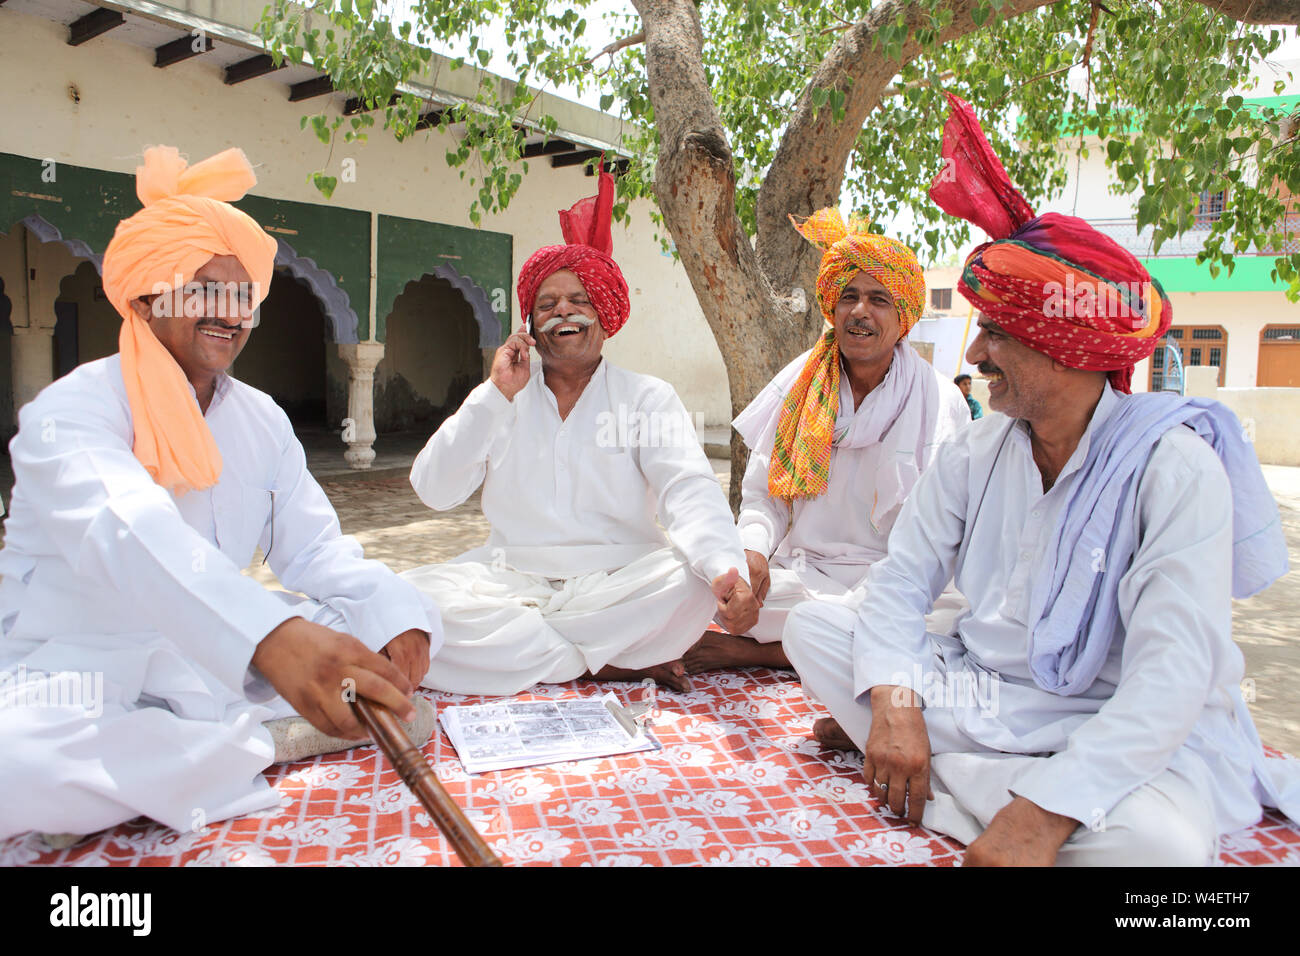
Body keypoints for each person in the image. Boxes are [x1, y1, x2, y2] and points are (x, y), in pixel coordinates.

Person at [784, 93, 1298, 866]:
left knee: (1157, 850)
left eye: (996, 333)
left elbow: (1172, 679)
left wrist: (1046, 815)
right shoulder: (979, 451)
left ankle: (958, 785)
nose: (977, 355)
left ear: (1064, 347)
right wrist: (893, 702)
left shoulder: (1174, 469)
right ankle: (938, 762)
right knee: (813, 628)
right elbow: (900, 584)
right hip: (984, 695)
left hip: (1112, 723)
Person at [0, 147, 440, 847]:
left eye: (242, 297)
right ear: (146, 297)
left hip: (211, 663)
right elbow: (130, 530)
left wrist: (394, 621)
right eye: (202, 290)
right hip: (75, 671)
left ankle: (215, 747)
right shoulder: (70, 412)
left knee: (409, 607)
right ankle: (262, 743)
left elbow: (316, 549)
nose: (228, 315)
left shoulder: (259, 417)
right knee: (14, 765)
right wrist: (272, 642)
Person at [401, 171, 757, 697]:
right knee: (401, 604)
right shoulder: (503, 397)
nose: (562, 311)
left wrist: (727, 571)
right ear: (531, 322)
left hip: (620, 585)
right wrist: (494, 395)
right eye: (546, 304)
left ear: (604, 316)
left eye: (578, 300)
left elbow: (688, 489)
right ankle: (600, 663)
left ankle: (541, 657)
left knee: (691, 584)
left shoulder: (646, 397)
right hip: (511, 581)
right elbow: (433, 490)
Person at [684, 210, 969, 674]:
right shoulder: (801, 382)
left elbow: (935, 540)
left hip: (892, 581)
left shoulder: (940, 400)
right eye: (849, 297)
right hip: (800, 574)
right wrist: (753, 552)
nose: (860, 311)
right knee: (694, 582)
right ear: (832, 309)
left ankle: (761, 655)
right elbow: (763, 498)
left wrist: (877, 595)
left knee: (940, 621)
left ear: (904, 318)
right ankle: (813, 646)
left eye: (879, 299)